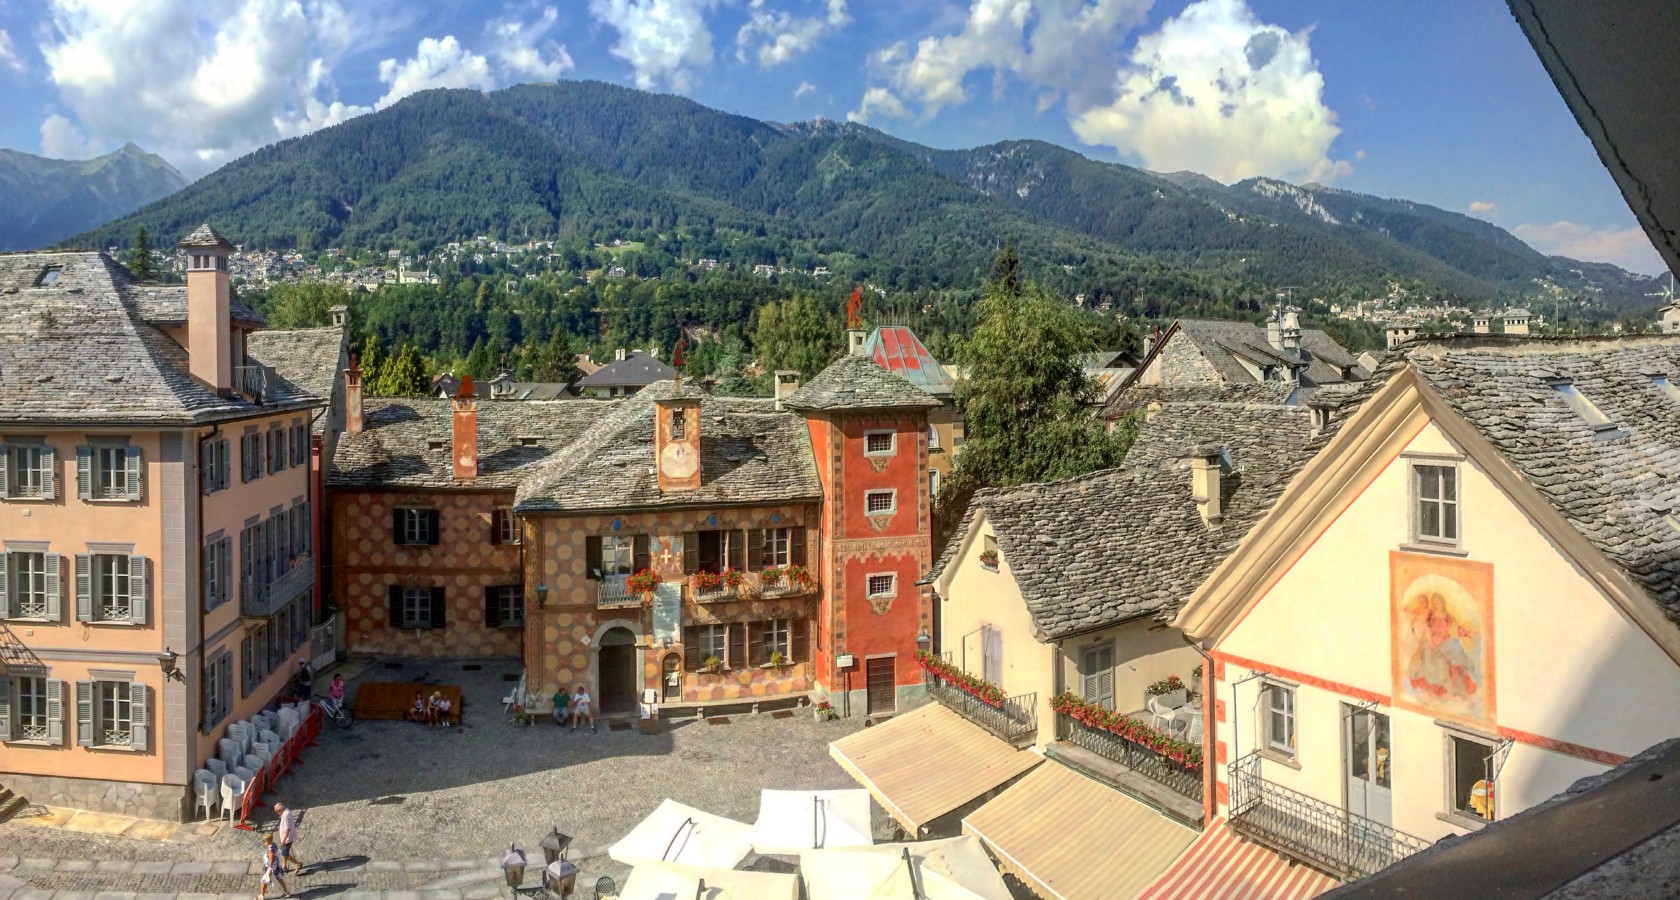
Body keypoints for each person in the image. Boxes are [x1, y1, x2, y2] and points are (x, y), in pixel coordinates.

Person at [257, 833, 289, 900]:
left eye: (264, 842)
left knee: (264, 881)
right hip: (276, 866)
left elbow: (271, 859)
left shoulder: (270, 848)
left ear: (267, 841)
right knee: (279, 878)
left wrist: (270, 869)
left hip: (271, 867)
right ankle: (286, 892)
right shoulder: (274, 844)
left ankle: (261, 896)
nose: (264, 843)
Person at [274, 802, 303, 875]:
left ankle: (297, 864)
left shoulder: (285, 816)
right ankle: (284, 866)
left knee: (284, 853)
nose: (277, 813)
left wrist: (283, 840)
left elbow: (287, 829)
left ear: (280, 810)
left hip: (287, 839)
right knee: (284, 853)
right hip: (288, 837)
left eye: (276, 812)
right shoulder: (286, 811)